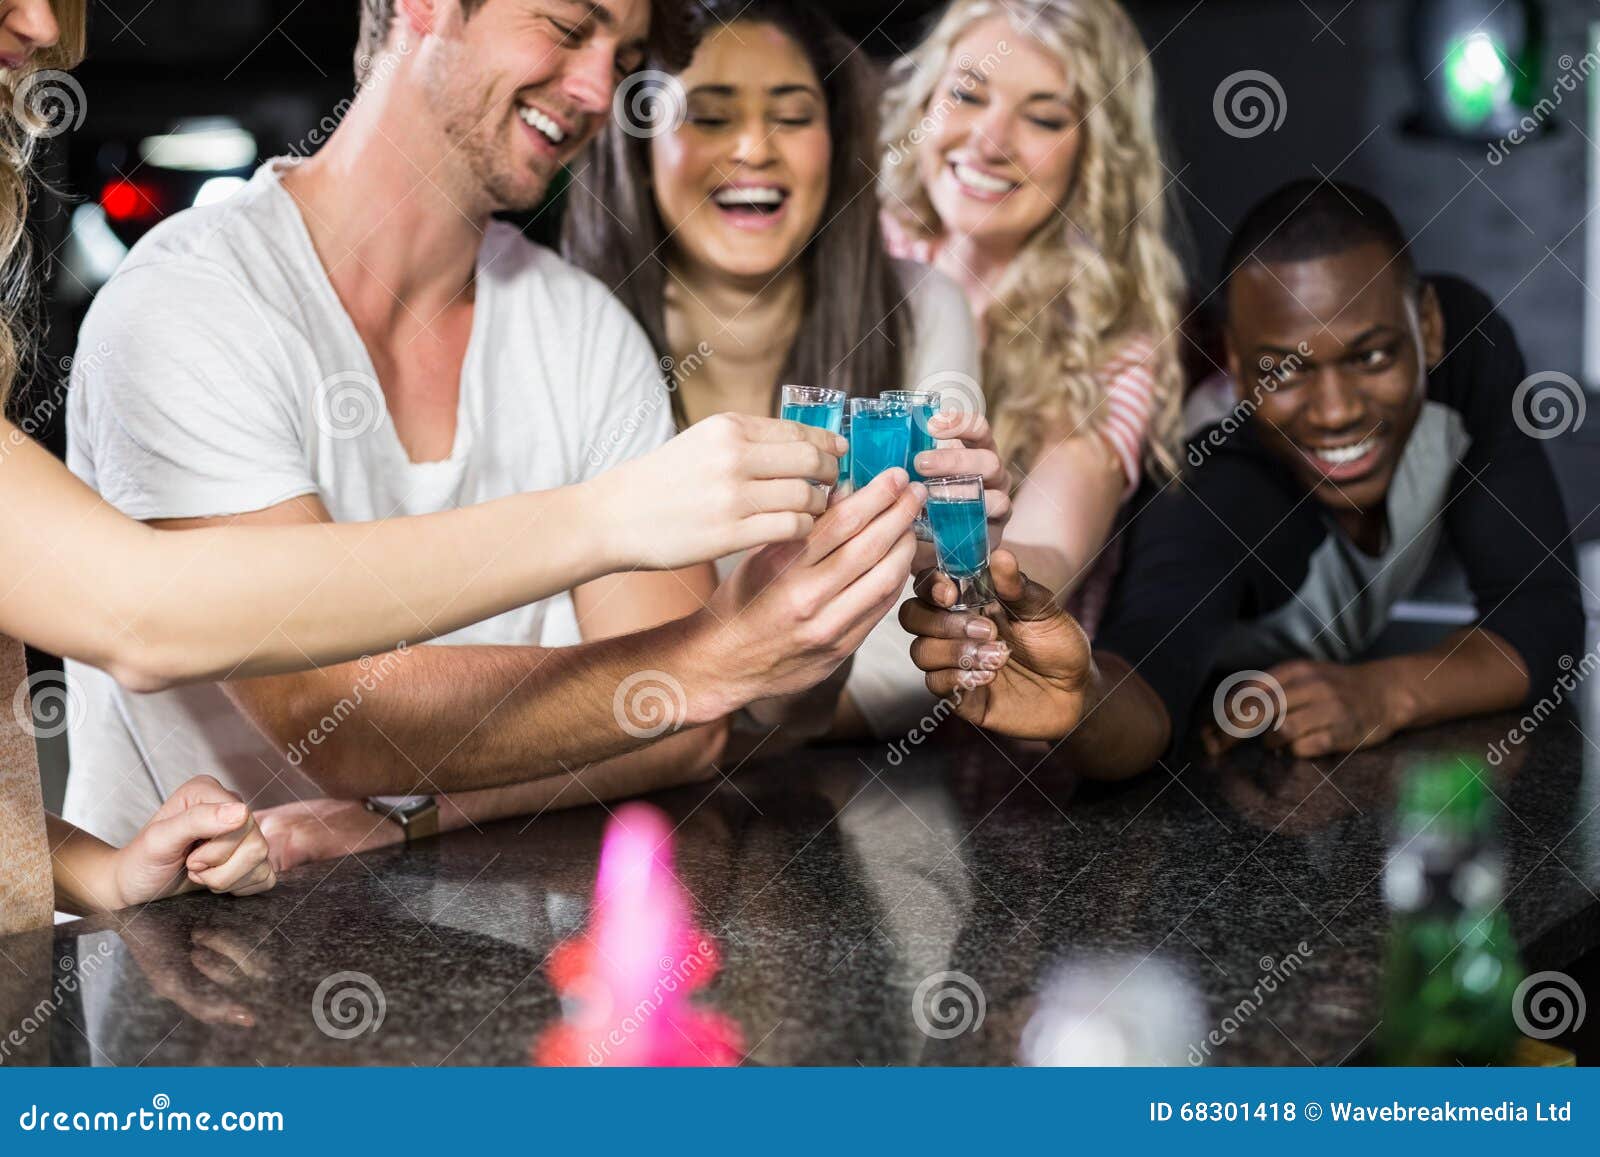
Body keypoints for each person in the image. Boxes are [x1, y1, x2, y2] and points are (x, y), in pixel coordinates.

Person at [0, 0, 845, 935]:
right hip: (210, 990)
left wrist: (410, 815)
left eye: (628, 56)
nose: (602, 90)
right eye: (569, 30)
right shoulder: (187, 302)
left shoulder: (583, 328)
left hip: (519, 990)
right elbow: (333, 713)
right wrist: (669, 604)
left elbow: (677, 715)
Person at [902, 180, 1582, 777]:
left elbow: (1542, 617)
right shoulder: (1214, 487)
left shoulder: (1466, 348)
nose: (1338, 408)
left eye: (1372, 356)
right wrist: (1079, 706)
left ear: (1428, 327)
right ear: (1233, 361)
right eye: (1285, 371)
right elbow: (1143, 694)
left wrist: (1385, 691)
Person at [877, 0, 1187, 668]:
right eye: (966, 94)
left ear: (1097, 152)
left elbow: (1047, 557)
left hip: (982, 711)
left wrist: (971, 569)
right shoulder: (858, 248)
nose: (991, 140)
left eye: (1043, 117)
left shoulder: (1112, 334)